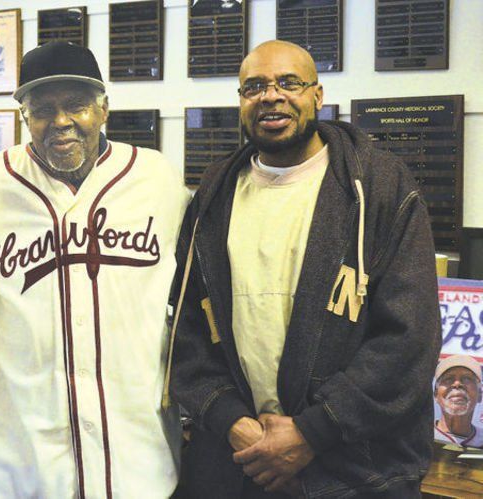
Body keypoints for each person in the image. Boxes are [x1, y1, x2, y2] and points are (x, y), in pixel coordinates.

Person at [169, 40, 440, 498]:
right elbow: (186, 329)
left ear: (317, 95)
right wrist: (235, 425)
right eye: (253, 86)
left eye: (288, 83)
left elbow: (408, 339)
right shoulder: (213, 198)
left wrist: (312, 432)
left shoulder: (380, 188)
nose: (270, 96)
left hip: (354, 469)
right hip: (238, 462)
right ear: (240, 101)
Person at [0, 41, 189, 498]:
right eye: (43, 109)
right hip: (22, 455)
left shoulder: (157, 180)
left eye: (77, 105)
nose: (61, 121)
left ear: (104, 110)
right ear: (23, 117)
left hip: (136, 450)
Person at [434, 354, 483, 447]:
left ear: (480, 395)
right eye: (448, 379)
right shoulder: (419, 437)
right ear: (436, 395)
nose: (457, 384)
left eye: (467, 378)